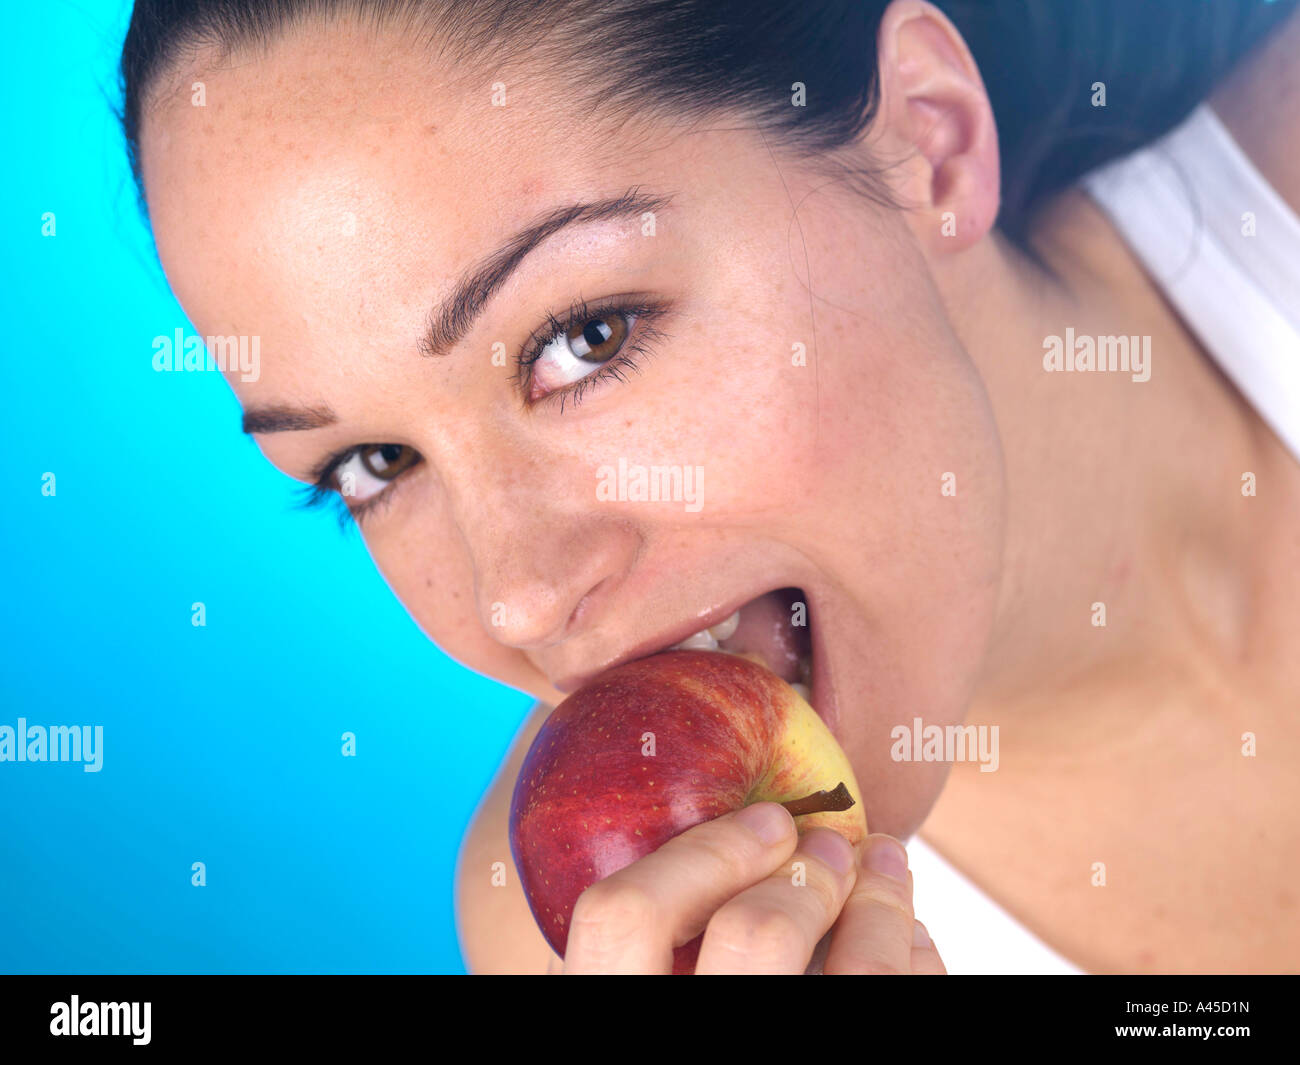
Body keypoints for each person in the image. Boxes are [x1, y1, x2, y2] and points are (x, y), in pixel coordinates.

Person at [120, 0, 1300, 973]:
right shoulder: (586, 936)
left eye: (584, 336)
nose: (518, 601)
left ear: (924, 146)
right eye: (374, 466)